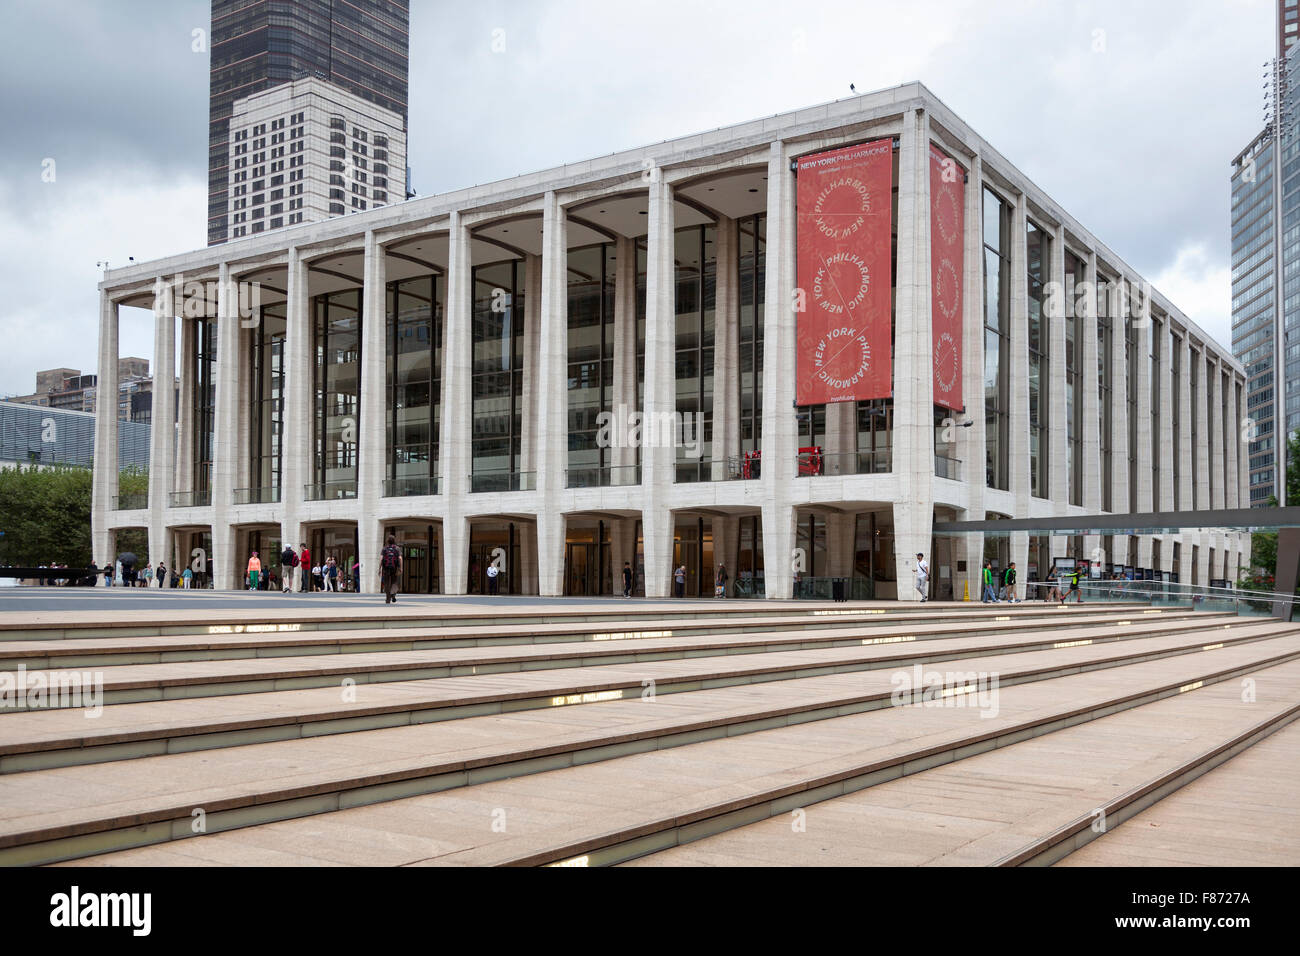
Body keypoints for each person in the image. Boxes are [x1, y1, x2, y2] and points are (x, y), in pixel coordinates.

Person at [380, 533, 402, 604]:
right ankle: (393, 593)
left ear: (387, 541)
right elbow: (400, 558)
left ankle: (387, 598)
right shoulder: (397, 548)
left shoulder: (384, 548)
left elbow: (381, 559)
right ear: (394, 541)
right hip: (394, 568)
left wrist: (379, 568)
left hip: (386, 568)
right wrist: (400, 567)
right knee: (394, 582)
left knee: (386, 583)